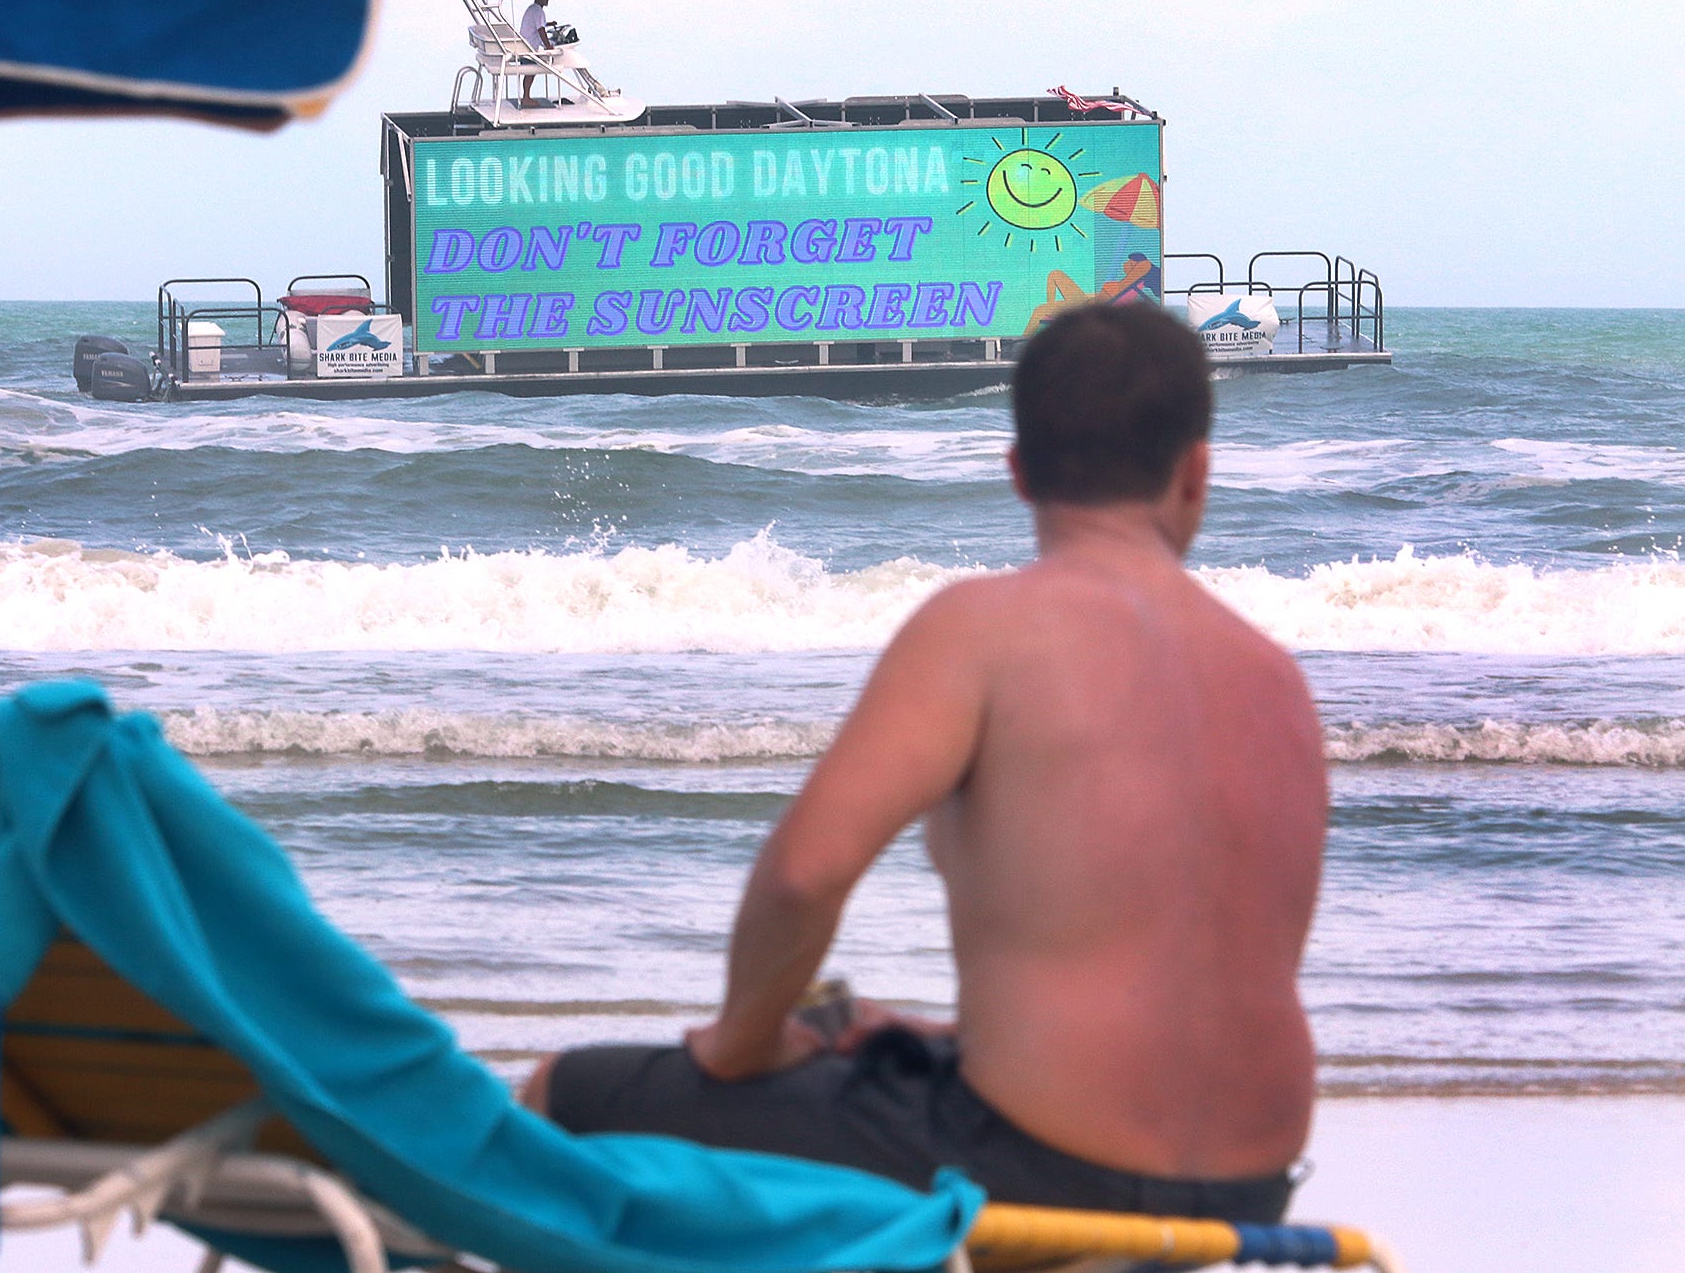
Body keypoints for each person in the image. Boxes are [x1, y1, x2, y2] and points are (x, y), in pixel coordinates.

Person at [526, 300, 1328, 1222]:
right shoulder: (1276, 677)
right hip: (1253, 1183)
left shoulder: (984, 627)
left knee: (568, 1095)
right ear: (1197, 471)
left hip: (1042, 1165)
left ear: (1019, 471)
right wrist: (961, 1044)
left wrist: (738, 1046)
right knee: (873, 1052)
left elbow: (805, 872)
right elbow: (1181, 974)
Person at [517, 0, 551, 106]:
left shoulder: (533, 9)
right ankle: (526, 98)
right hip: (529, 47)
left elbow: (540, 24)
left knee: (530, 72)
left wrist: (549, 24)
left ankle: (526, 96)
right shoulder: (538, 11)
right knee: (530, 71)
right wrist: (548, 46)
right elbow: (541, 30)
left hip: (525, 45)